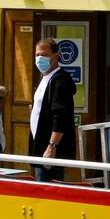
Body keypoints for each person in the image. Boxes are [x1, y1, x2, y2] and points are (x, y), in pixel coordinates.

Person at [29, 38, 77, 182]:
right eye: (37, 55)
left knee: (48, 190)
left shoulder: (59, 81)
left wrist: (52, 146)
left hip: (50, 151)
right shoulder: (46, 79)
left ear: (56, 56)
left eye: (43, 55)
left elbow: (59, 115)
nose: (39, 59)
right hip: (40, 147)